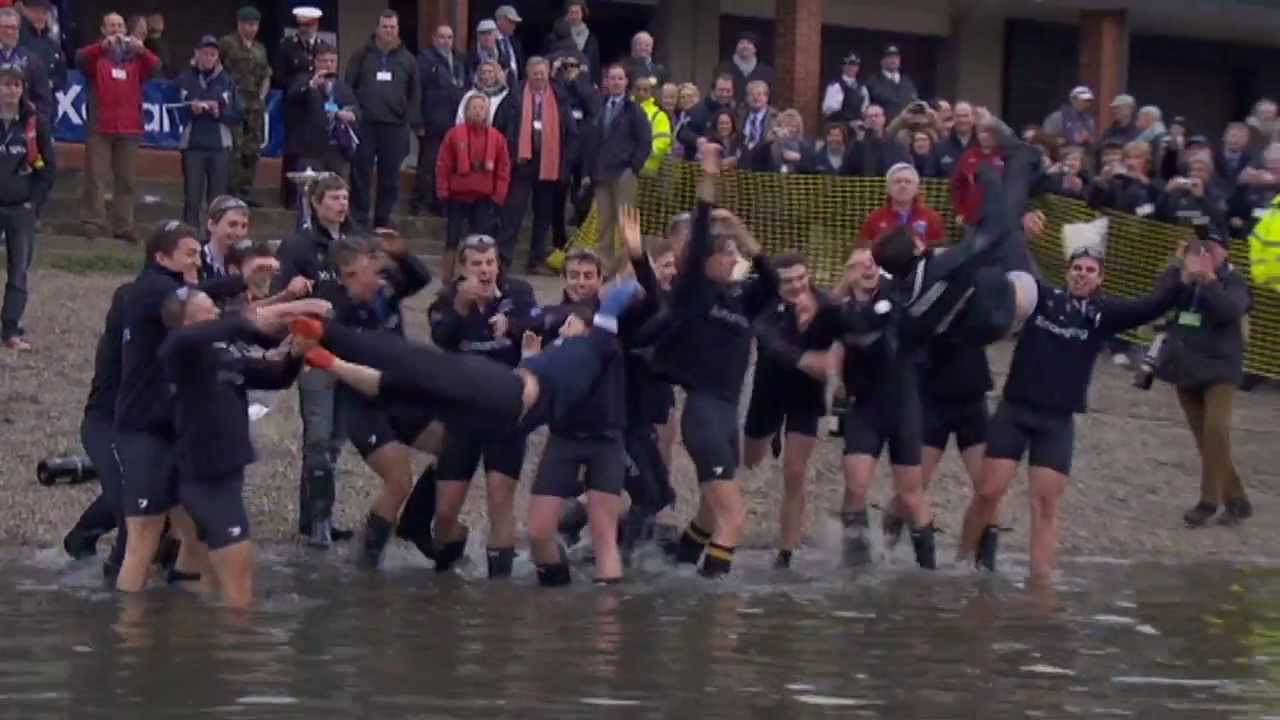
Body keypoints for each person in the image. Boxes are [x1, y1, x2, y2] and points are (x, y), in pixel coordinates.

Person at [957, 236, 1185, 580]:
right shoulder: (1042, 299)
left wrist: (1182, 273)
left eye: (1090, 270)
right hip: (1015, 411)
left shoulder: (1102, 314)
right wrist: (1019, 230)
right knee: (988, 492)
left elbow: (1151, 306)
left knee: (1046, 505)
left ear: (1100, 278)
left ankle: (1041, 583)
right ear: (1066, 273)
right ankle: (960, 562)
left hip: (1056, 420)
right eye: (1077, 268)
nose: (1082, 274)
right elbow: (1012, 261)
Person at [654, 145, 778, 578]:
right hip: (704, 413)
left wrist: (741, 230)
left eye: (734, 254)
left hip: (728, 417)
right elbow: (702, 219)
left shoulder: (742, 299)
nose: (732, 258)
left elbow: (772, 278)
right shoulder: (694, 293)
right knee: (734, 520)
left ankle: (676, 573)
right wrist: (709, 176)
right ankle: (714, 605)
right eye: (724, 253)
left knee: (710, 515)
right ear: (704, 261)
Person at [158, 289, 319, 608]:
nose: (217, 315)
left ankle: (187, 633)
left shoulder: (222, 353)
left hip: (229, 472)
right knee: (239, 590)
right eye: (208, 312)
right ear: (188, 322)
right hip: (206, 476)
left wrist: (295, 355)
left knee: (219, 579)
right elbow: (216, 330)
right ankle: (235, 648)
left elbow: (275, 378)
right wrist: (272, 315)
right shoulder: (178, 351)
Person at [426, 235, 538, 576]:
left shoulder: (517, 293)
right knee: (445, 510)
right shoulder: (447, 299)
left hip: (505, 411)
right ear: (463, 268)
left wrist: (513, 327)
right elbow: (441, 338)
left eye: (490, 262)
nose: (486, 270)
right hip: (462, 412)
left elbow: (539, 324)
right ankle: (452, 560)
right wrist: (461, 306)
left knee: (499, 498)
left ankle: (499, 590)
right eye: (477, 264)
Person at [327, 231, 435, 567]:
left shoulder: (385, 290)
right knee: (398, 480)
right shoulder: (336, 310)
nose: (378, 280)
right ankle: (367, 560)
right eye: (370, 273)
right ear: (348, 276)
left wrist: (401, 254)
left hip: (401, 398)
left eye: (379, 270)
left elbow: (420, 278)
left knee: (458, 444)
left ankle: (416, 524)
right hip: (365, 408)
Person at [112, 222, 206, 594]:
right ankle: (128, 636)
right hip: (143, 429)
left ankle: (181, 611)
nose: (197, 260)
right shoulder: (153, 290)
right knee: (144, 539)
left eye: (198, 252)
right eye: (189, 253)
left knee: (196, 526)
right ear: (161, 256)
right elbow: (202, 308)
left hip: (173, 426)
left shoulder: (174, 289)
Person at [526, 249, 628, 585]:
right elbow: (531, 326)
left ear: (600, 280)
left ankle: (607, 622)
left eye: (588, 275)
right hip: (564, 435)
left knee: (604, 535)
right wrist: (530, 355)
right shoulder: (553, 317)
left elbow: (643, 300)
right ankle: (557, 599)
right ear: (564, 279)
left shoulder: (615, 321)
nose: (581, 281)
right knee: (538, 532)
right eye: (574, 275)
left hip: (605, 438)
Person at [273, 174, 354, 548]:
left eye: (345, 197)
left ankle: (319, 516)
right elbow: (281, 297)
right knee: (318, 437)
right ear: (317, 203)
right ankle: (318, 522)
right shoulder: (299, 245)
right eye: (334, 198)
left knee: (337, 439)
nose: (341, 204)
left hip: (352, 352)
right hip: (315, 352)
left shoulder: (356, 242)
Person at [744, 253, 840, 568]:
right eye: (788, 281)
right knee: (749, 461)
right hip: (768, 391)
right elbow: (770, 344)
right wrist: (808, 361)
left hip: (805, 396)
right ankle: (769, 437)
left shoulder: (824, 303)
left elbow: (847, 329)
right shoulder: (766, 307)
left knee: (795, 472)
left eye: (802, 278)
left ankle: (786, 552)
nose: (798, 285)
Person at [1156, 237, 1252, 527]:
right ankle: (1237, 499)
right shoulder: (1180, 277)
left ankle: (1208, 502)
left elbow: (1229, 311)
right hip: (1186, 367)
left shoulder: (1235, 281)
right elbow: (1159, 300)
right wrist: (1181, 273)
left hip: (1221, 369)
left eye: (1212, 248)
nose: (1205, 253)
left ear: (1225, 252)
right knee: (1206, 439)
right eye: (1200, 247)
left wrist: (1208, 279)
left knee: (1216, 431)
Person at [62, 281, 131, 575]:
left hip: (138, 426)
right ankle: (88, 545)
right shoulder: (121, 341)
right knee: (127, 495)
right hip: (105, 424)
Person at [75, 12, 159, 242]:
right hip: (100, 126)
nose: (116, 29)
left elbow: (156, 66)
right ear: (103, 30)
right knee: (96, 177)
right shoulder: (96, 57)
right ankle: (93, 222)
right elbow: (80, 58)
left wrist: (142, 49)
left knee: (127, 180)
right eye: (111, 26)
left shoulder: (136, 58)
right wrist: (102, 46)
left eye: (120, 25)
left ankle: (123, 225)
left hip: (129, 128)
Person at [494, 55, 577, 275]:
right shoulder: (515, 95)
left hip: (549, 163)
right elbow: (499, 126)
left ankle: (536, 260)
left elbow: (571, 132)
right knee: (513, 211)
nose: (539, 77)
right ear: (528, 74)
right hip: (521, 161)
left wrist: (565, 165)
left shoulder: (559, 95)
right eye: (535, 73)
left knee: (543, 215)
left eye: (542, 73)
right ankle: (503, 259)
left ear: (548, 72)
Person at [346, 10, 421, 231]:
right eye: (385, 27)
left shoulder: (408, 60)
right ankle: (359, 216)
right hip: (365, 124)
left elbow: (415, 93)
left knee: (391, 176)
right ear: (377, 29)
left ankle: (383, 218)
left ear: (397, 30)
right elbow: (349, 85)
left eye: (392, 27)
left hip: (395, 126)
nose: (388, 31)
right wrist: (352, 112)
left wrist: (411, 120)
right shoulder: (361, 54)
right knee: (361, 172)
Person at [0, 63, 51, 351]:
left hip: (21, 208)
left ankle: (10, 330)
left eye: (16, 85)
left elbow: (49, 166)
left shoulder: (35, 122)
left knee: (18, 271)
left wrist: (35, 201)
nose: (11, 90)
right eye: (6, 84)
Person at [436, 94, 510, 283]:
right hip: (458, 195)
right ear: (467, 111)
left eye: (481, 108)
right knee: (452, 239)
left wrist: (499, 195)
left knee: (482, 242)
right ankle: (447, 280)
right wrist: (442, 190)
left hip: (484, 197)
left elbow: (503, 168)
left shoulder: (497, 138)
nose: (478, 111)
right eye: (474, 108)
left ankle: (480, 279)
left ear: (487, 112)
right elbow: (443, 164)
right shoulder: (454, 134)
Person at [586, 64, 651, 276]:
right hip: (601, 174)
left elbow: (645, 141)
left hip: (624, 173)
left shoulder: (634, 110)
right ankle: (604, 269)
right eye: (611, 78)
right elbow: (592, 139)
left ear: (626, 82)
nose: (615, 82)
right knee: (603, 224)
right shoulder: (599, 107)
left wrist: (634, 166)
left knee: (626, 226)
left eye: (619, 78)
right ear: (606, 82)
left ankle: (626, 269)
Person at [176, 36, 241, 229]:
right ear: (197, 53)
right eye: (205, 54)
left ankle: (215, 237)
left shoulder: (227, 81)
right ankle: (189, 235)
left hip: (219, 146)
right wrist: (191, 109)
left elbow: (237, 115)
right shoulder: (185, 78)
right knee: (192, 197)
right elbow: (176, 110)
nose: (209, 58)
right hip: (193, 145)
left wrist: (218, 111)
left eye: (213, 54)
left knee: (217, 199)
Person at [411, 25, 466, 217]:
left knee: (447, 165)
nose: (446, 41)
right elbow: (416, 92)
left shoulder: (458, 61)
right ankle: (418, 203)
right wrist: (417, 121)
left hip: (452, 122)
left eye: (449, 37)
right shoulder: (425, 60)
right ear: (434, 39)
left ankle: (439, 203)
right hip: (431, 121)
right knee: (428, 164)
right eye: (442, 37)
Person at [220, 6, 272, 204]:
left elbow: (267, 75)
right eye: (248, 24)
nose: (252, 28)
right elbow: (218, 68)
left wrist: (261, 97)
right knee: (235, 147)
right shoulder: (227, 43)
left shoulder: (260, 49)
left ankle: (246, 190)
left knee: (252, 149)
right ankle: (230, 190)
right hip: (234, 102)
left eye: (255, 25)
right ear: (239, 23)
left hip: (254, 105)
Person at [285, 43, 358, 181]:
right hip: (310, 150)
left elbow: (355, 109)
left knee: (337, 190)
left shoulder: (343, 87)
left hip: (337, 149)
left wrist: (352, 115)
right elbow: (291, 97)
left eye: (332, 61)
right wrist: (312, 85)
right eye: (324, 61)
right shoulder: (303, 80)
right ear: (315, 62)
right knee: (310, 191)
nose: (328, 65)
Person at [275, 6, 324, 208]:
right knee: (293, 150)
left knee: (315, 148)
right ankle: (290, 198)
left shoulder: (322, 47)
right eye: (302, 25)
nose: (306, 29)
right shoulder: (287, 46)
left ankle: (313, 197)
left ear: (316, 26)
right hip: (295, 105)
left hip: (316, 106)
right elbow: (280, 76)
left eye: (309, 25)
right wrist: (301, 86)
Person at [858, 163, 945, 250]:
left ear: (917, 189)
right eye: (897, 181)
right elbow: (861, 251)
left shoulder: (931, 218)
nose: (902, 185)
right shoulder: (875, 218)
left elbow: (939, 254)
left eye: (908, 181)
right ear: (887, 188)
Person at [16, 0, 63, 123]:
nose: (40, 16)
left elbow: (62, 76)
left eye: (44, 13)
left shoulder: (53, 45)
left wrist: (50, 83)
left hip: (47, 109)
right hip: (22, 107)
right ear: (25, 12)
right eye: (36, 12)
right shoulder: (18, 41)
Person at [0, 7, 48, 120]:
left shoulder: (33, 61)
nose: (10, 32)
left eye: (14, 28)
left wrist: (39, 125)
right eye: (6, 27)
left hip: (22, 126)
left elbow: (43, 99)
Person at [716, 32, 774, 103]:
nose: (745, 46)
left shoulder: (766, 72)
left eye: (749, 43)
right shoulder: (723, 68)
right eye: (741, 43)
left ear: (755, 49)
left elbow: (770, 97)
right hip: (728, 112)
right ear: (736, 47)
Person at [864, 45, 918, 120]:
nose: (893, 60)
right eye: (890, 57)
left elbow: (914, 102)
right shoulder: (872, 81)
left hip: (906, 126)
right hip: (884, 127)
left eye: (896, 57)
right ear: (882, 60)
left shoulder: (907, 81)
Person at [633, 75, 672, 177]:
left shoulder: (659, 115)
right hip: (624, 169)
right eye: (638, 89)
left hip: (647, 170)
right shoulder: (625, 108)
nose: (641, 93)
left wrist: (641, 156)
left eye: (645, 90)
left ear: (651, 92)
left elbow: (662, 142)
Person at [822, 52, 869, 131]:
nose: (852, 68)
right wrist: (848, 123)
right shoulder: (835, 86)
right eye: (849, 65)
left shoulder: (862, 87)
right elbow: (828, 111)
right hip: (838, 128)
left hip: (857, 128)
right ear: (843, 67)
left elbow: (865, 109)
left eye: (855, 66)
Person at [455, 59, 508, 126]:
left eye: (490, 72)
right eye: (483, 73)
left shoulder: (505, 95)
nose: (487, 76)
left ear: (497, 74)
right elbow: (460, 118)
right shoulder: (470, 95)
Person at [737, 79, 779, 154]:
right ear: (746, 98)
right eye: (752, 94)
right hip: (744, 159)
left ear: (766, 97)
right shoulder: (739, 115)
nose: (755, 98)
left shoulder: (777, 117)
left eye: (759, 94)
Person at [493, 5, 523, 87]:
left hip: (516, 88)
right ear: (499, 21)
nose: (514, 26)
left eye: (514, 23)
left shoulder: (516, 43)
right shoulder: (491, 41)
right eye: (511, 22)